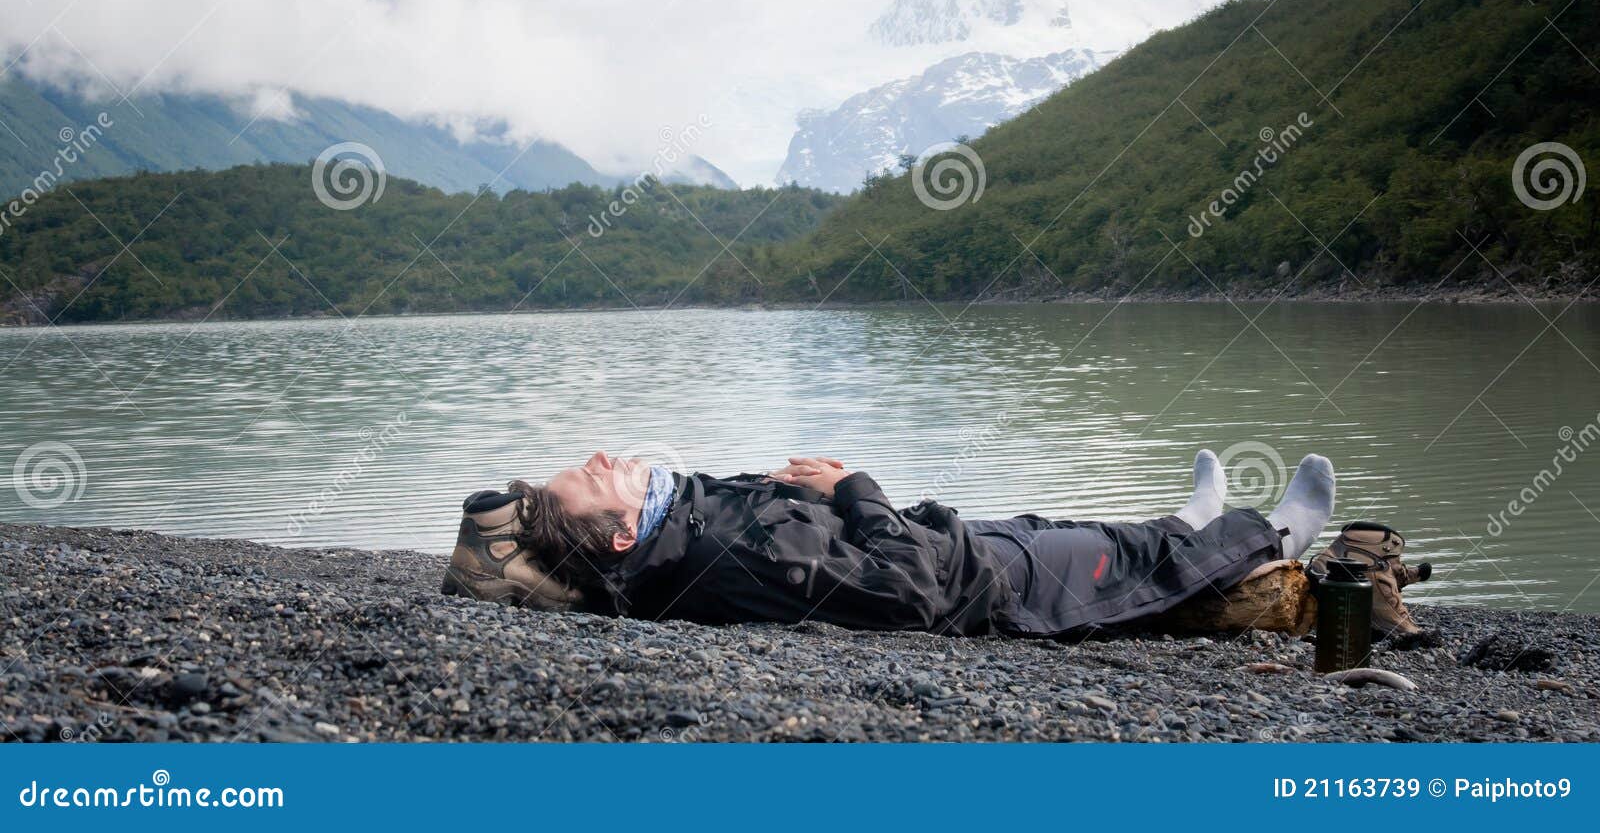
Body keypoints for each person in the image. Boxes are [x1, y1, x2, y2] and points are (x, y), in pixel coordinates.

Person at [441, 450, 1338, 637]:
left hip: (953, 540)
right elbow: (903, 598)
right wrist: (854, 487)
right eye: (593, 477)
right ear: (624, 529)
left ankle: (1184, 522)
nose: (601, 456)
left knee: (1091, 530)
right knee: (1122, 568)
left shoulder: (678, 526)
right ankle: (1269, 539)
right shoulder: (719, 551)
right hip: (984, 588)